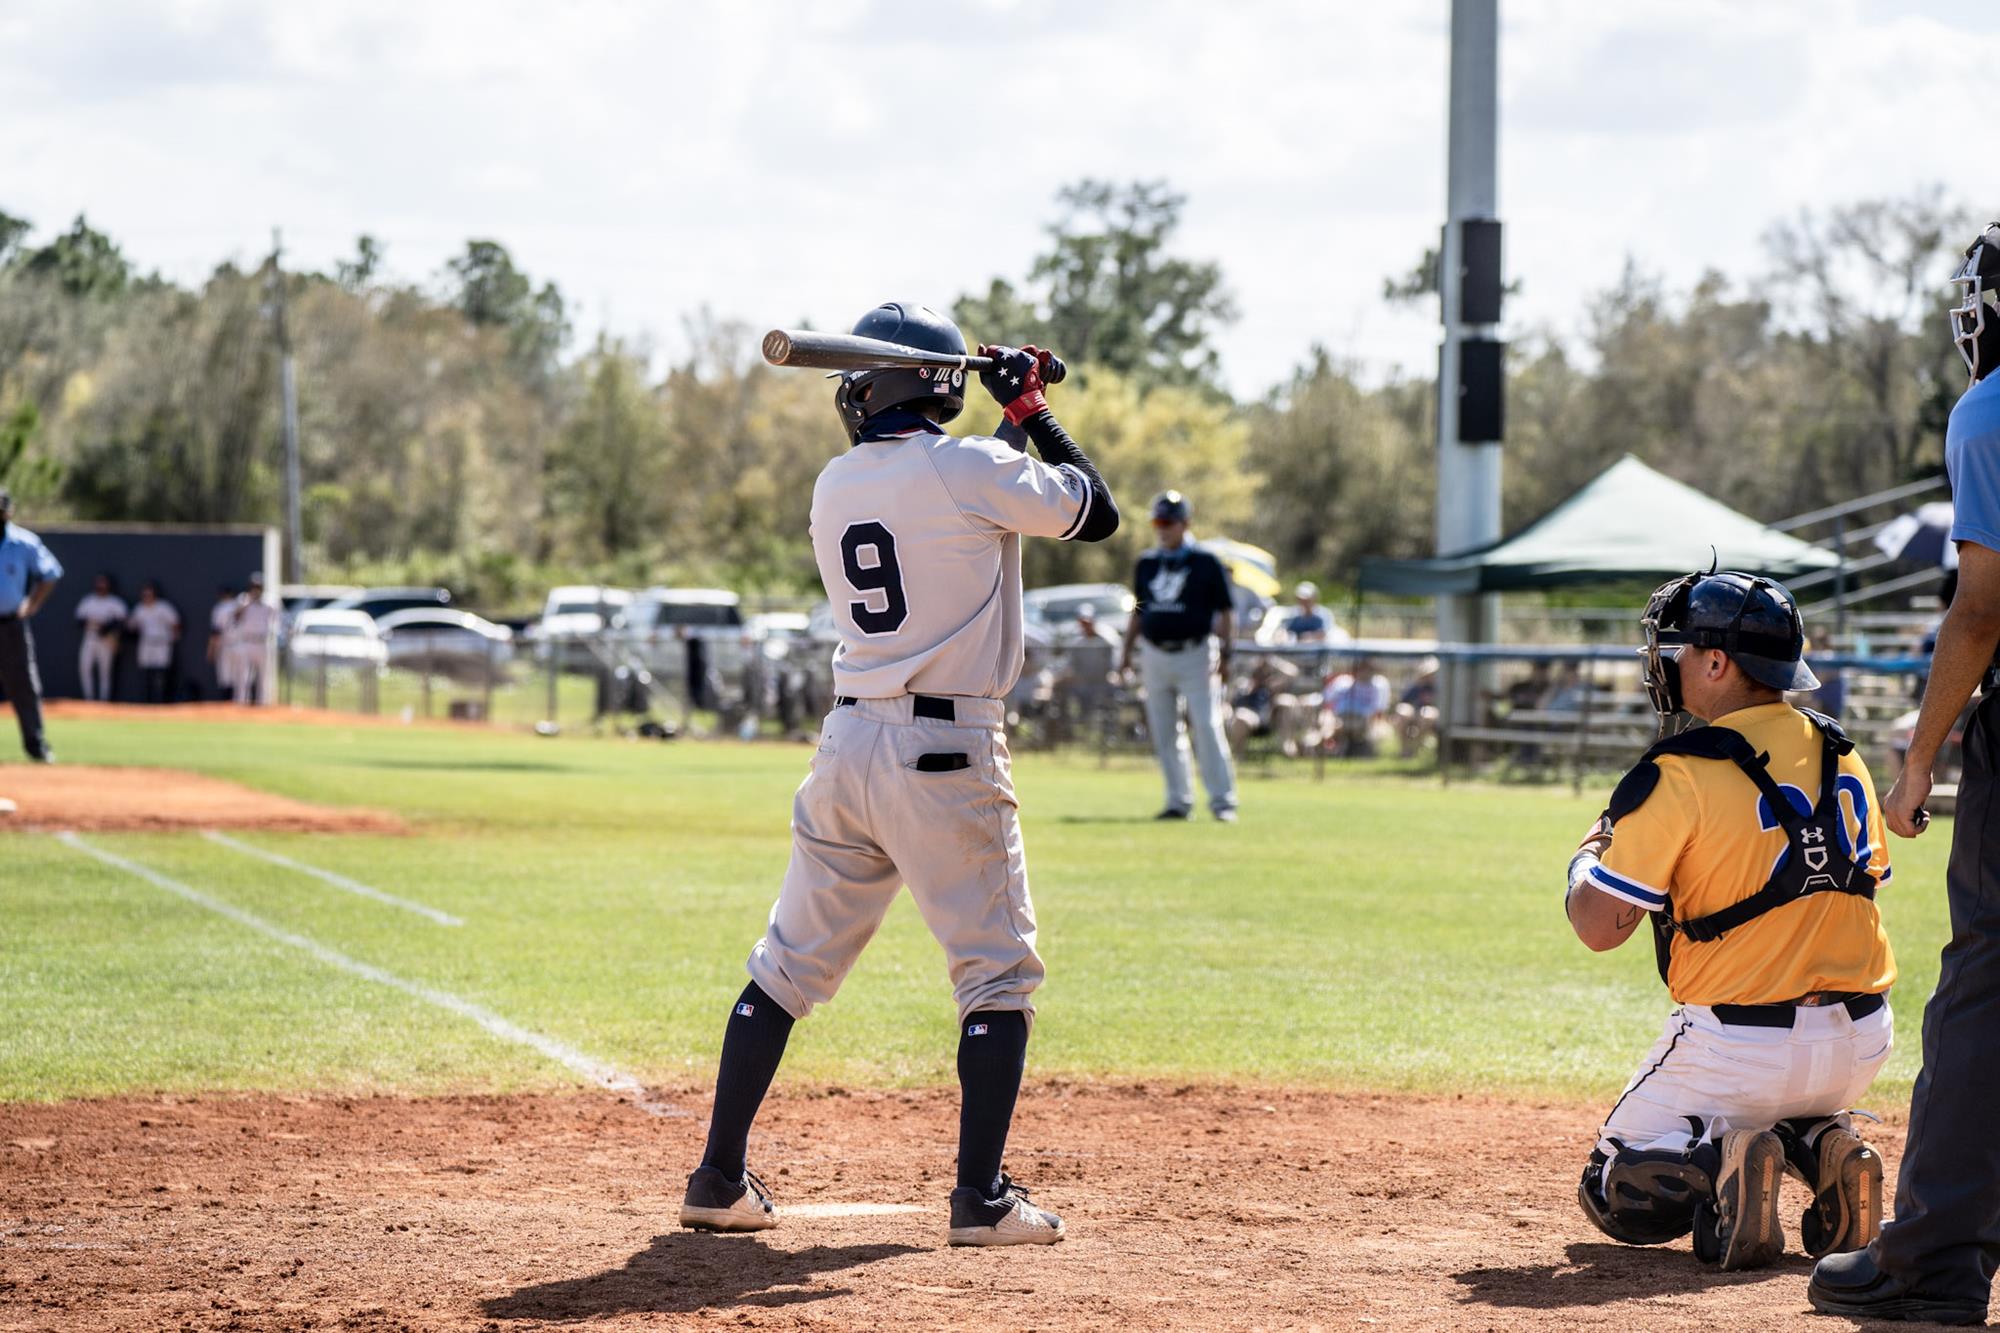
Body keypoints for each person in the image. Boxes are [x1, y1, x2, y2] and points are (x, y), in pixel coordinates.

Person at [678, 304, 1118, 1248]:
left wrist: (1002, 413)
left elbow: (970, 499)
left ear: (886, 385)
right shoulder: (969, 469)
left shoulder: (837, 482)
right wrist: (1031, 409)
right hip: (947, 753)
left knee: (785, 965)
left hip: (847, 749)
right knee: (998, 975)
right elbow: (1094, 509)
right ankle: (982, 1198)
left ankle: (717, 1175)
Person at [1568, 570, 1895, 1273]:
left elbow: (1600, 926)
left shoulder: (1678, 770)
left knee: (1608, 1186)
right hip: (1863, 1038)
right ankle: (1826, 1145)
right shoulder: (1844, 751)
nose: (1667, 661)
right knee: (1777, 1105)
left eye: (1680, 648)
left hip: (1737, 1045)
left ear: (1717, 662)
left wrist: (1585, 857)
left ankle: (1724, 1159)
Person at [1810, 222, 2000, 1326]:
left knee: (1984, 983)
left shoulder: (1985, 409)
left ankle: (1930, 1262)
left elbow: (1978, 607)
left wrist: (1918, 753)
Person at [1116, 491, 1240, 821]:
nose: (1162, 528)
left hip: (1195, 653)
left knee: (1207, 725)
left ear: (1185, 524)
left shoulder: (1206, 562)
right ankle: (1178, 801)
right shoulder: (1147, 563)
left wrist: (1227, 654)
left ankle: (1222, 801)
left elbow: (1227, 612)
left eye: (1168, 522)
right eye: (1158, 521)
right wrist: (1126, 654)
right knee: (1164, 731)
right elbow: (1138, 612)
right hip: (1154, 653)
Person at [0, 487, 61, 761]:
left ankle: (36, 746)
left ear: (8, 510)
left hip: (11, 624)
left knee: (23, 684)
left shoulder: (23, 542)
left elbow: (50, 573)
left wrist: (32, 604)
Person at [73, 572, 129, 702]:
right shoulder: (88, 600)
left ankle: (104, 701)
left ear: (109, 585)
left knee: (105, 672)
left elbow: (123, 620)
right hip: (90, 637)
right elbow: (79, 619)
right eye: (99, 582)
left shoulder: (114, 602)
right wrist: (92, 624)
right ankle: (89, 699)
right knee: (85, 667)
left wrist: (108, 628)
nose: (101, 585)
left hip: (107, 639)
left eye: (103, 583)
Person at [226, 573, 277, 705]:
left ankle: (263, 703)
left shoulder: (269, 601)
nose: (257, 589)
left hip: (262, 642)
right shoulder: (243, 599)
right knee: (243, 676)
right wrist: (248, 602)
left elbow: (276, 619)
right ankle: (241, 703)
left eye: (259, 586)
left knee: (264, 676)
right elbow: (235, 617)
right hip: (246, 641)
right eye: (254, 586)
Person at [128, 582, 182, 704]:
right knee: (145, 674)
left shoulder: (163, 607)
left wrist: (173, 637)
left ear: (154, 594)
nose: (147, 597)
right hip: (146, 643)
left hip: (162, 643)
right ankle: (146, 703)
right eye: (145, 595)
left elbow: (175, 623)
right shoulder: (139, 609)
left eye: (149, 594)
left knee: (161, 675)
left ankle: (161, 702)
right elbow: (131, 626)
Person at [1325, 657, 1390, 757]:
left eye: (1367, 668)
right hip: (1339, 717)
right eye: (1361, 668)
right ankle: (1332, 751)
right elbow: (1327, 702)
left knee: (1358, 728)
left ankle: (1357, 752)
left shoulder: (1379, 684)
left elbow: (1378, 711)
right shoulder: (1342, 682)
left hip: (1364, 719)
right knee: (1331, 725)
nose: (1364, 671)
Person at [206, 585, 237, 699]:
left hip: (226, 644)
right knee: (239, 678)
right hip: (242, 644)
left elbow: (216, 632)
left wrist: (210, 650)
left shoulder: (220, 608)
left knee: (226, 677)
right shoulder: (240, 605)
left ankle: (227, 705)